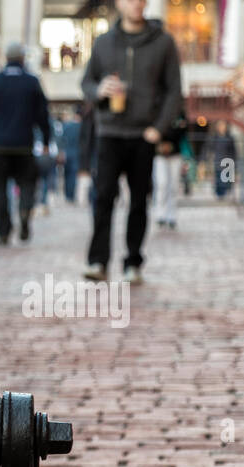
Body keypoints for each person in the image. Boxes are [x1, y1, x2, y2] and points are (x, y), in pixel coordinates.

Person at [81, 0, 182, 283]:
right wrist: (99, 89)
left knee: (139, 201)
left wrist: (158, 128)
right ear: (119, 3)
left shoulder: (163, 42)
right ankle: (97, 261)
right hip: (109, 133)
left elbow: (174, 91)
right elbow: (86, 83)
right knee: (103, 199)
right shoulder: (103, 43)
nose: (136, 3)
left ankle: (133, 263)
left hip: (143, 135)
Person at [0, 42, 52, 246]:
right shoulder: (32, 82)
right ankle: (25, 210)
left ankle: (3, 230)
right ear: (23, 58)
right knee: (27, 183)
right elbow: (43, 114)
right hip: (24, 145)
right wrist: (45, 140)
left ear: (6, 58)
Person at [153, 113, 188, 227]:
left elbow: (183, 131)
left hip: (175, 154)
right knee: (161, 184)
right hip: (160, 154)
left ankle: (171, 215)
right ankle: (160, 214)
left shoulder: (180, 114)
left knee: (173, 186)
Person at [207, 120, 237, 199]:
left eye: (223, 125)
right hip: (218, 160)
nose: (221, 127)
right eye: (220, 126)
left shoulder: (230, 137)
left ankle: (224, 193)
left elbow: (233, 151)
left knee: (226, 179)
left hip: (227, 161)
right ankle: (219, 194)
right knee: (218, 178)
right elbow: (210, 148)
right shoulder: (214, 137)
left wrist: (234, 161)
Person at [60, 107, 83, 203]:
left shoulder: (67, 125)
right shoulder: (82, 127)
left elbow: (61, 139)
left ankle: (67, 195)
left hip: (66, 153)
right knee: (73, 175)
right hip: (77, 153)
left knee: (66, 174)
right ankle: (71, 196)